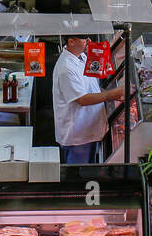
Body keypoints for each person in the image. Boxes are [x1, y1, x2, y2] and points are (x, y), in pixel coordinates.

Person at [52, 35, 124, 164]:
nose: (89, 42)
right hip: (78, 136)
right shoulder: (66, 67)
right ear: (71, 41)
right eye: (84, 39)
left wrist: (110, 94)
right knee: (78, 177)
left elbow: (90, 88)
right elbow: (82, 99)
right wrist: (112, 94)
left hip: (88, 130)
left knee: (87, 172)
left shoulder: (83, 57)